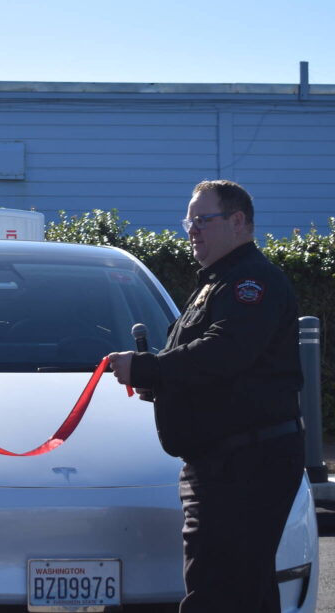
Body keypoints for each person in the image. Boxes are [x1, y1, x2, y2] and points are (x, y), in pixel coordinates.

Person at [108, 180, 305, 613]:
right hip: (225, 463)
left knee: (217, 593)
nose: (192, 230)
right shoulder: (217, 282)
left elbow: (226, 351)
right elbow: (211, 370)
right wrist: (159, 383)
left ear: (238, 222)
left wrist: (150, 368)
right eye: (188, 222)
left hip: (245, 466)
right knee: (243, 593)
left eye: (202, 220)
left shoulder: (251, 281)